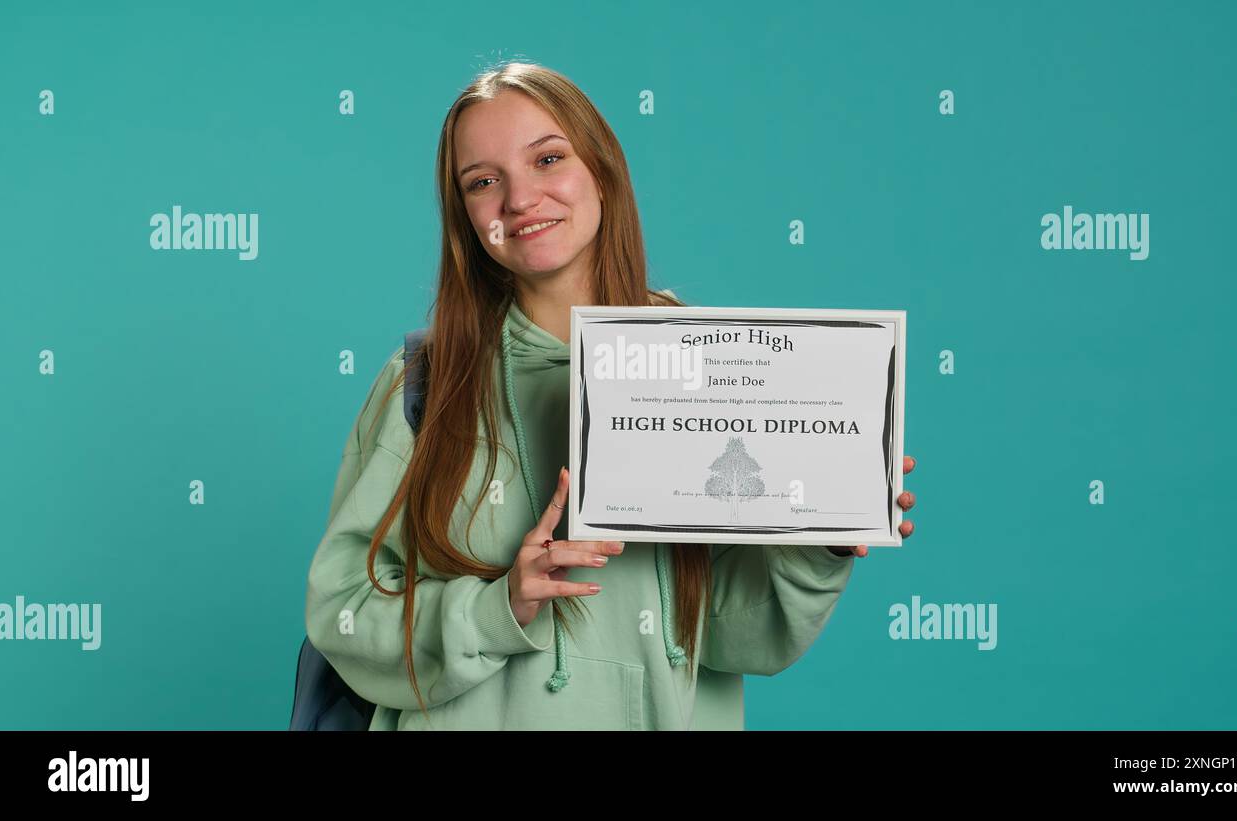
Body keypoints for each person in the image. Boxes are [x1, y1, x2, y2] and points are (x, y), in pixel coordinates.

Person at [303, 61, 919, 730]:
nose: (519, 199)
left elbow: (734, 638)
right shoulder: (427, 379)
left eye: (547, 158)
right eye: (483, 181)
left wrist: (821, 537)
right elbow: (344, 610)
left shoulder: (713, 369)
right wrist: (499, 603)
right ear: (466, 218)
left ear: (602, 168)